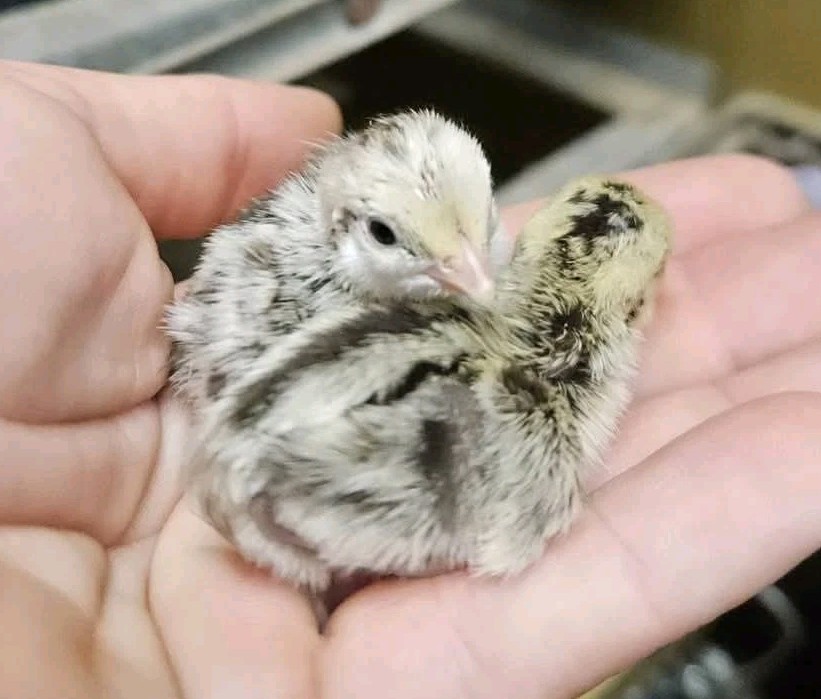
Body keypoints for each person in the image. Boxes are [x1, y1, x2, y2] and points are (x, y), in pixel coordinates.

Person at [1, 60, 819, 699]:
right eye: (401, 239)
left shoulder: (454, 294)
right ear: (341, 226)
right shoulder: (285, 290)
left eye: (485, 226)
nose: (475, 270)